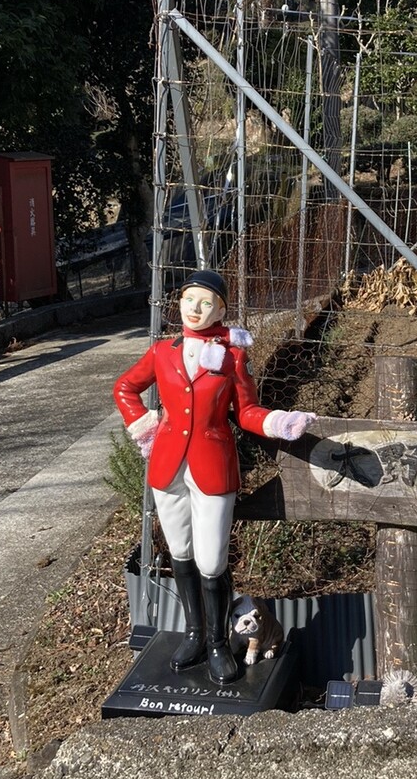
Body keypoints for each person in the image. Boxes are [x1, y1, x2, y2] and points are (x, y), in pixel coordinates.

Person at [113, 270, 315, 681]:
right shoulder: (161, 352)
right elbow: (125, 388)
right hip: (168, 466)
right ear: (179, 303)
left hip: (213, 466)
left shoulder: (232, 355)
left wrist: (278, 422)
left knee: (212, 560)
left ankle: (219, 641)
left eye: (207, 303)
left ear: (221, 310)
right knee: (180, 552)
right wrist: (145, 426)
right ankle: (195, 634)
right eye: (189, 299)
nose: (196, 308)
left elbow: (246, 411)